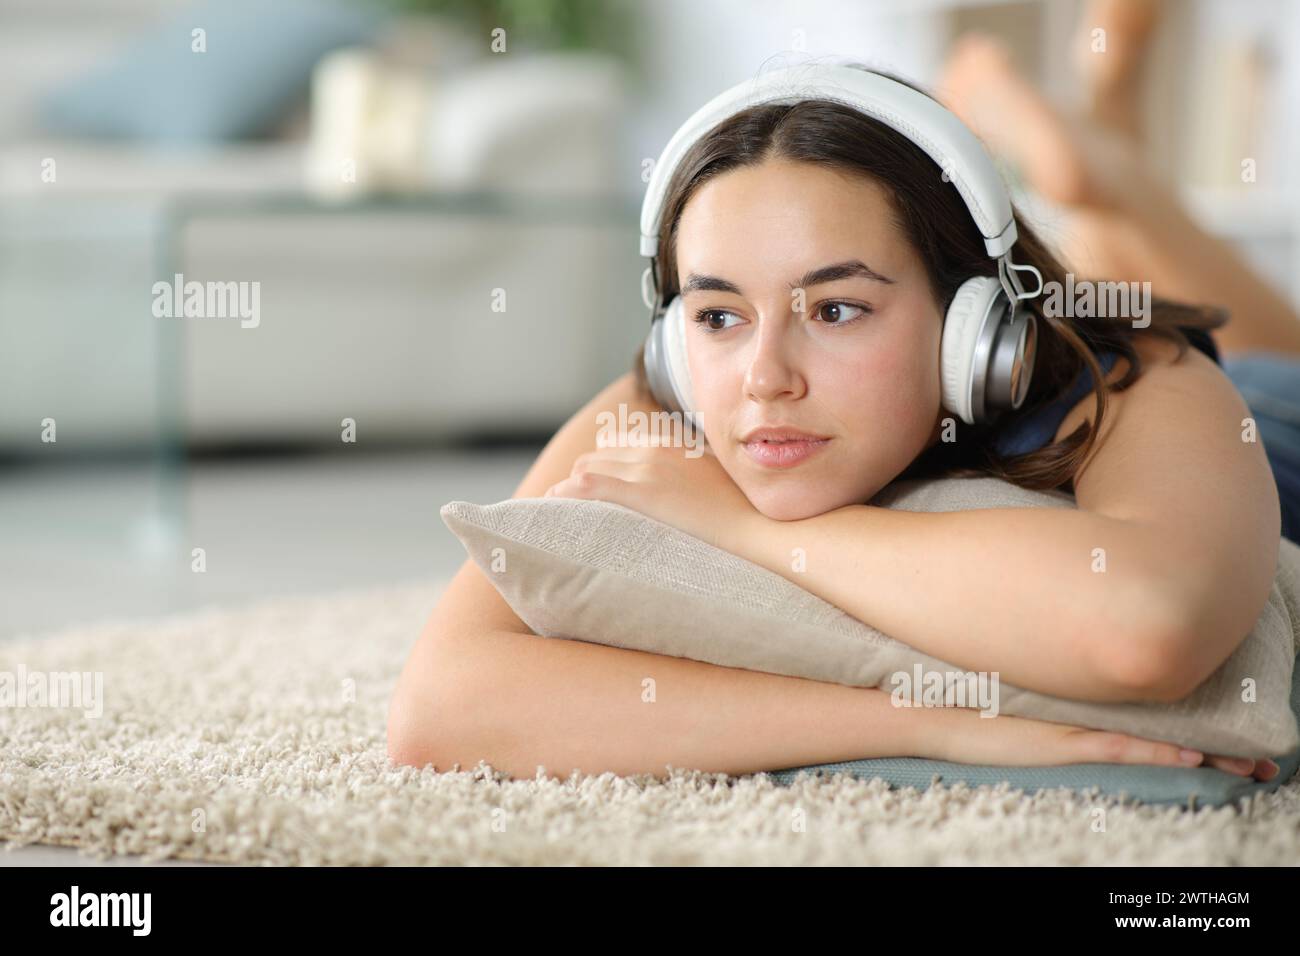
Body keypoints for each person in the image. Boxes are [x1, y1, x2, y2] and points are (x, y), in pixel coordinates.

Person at [389, 9, 1295, 785]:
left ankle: (1108, 146)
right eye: (717, 313)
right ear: (675, 333)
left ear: (967, 326)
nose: (765, 377)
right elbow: (440, 706)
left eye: (835, 307)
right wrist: (932, 723)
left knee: (1257, 337)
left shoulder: (1144, 379)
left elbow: (1147, 630)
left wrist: (744, 529)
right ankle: (1100, 152)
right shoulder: (673, 393)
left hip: (1274, 399)